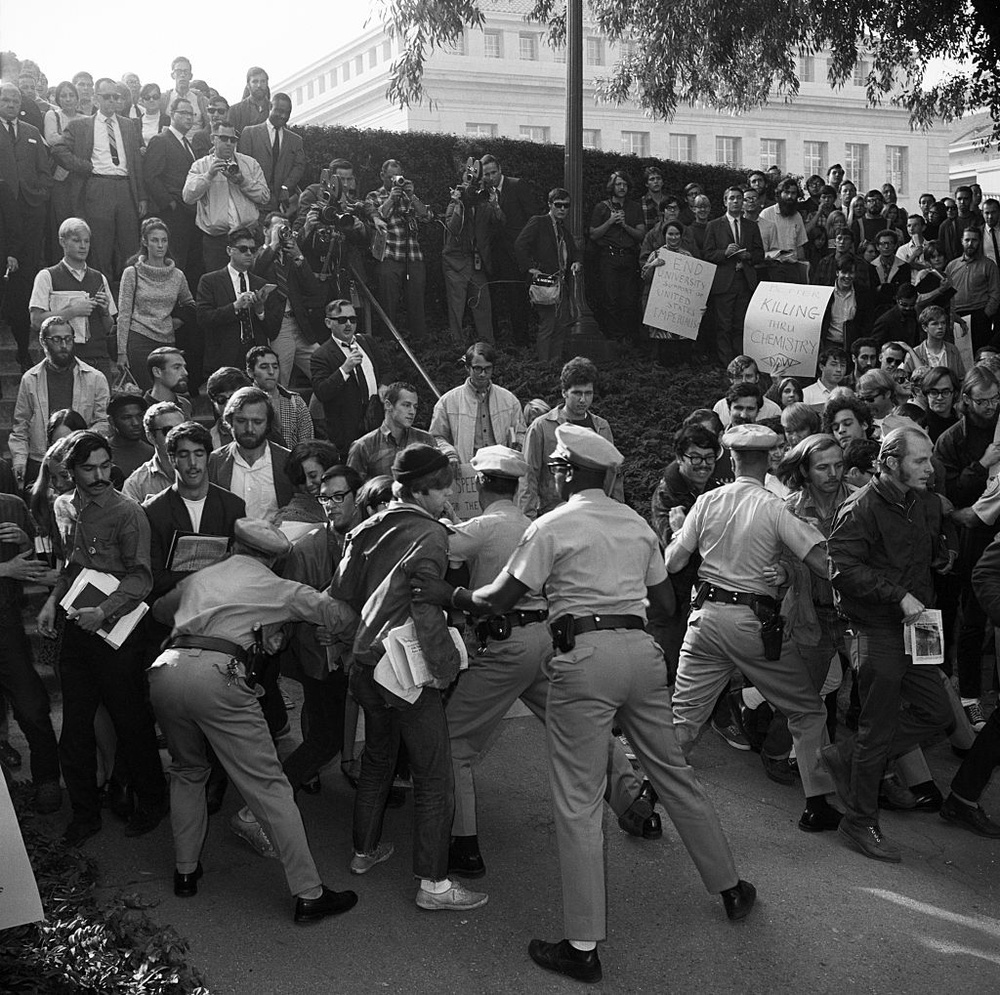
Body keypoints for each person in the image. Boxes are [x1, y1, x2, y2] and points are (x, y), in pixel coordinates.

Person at [416, 425, 752, 985]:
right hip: (641, 653)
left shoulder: (551, 525)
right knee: (675, 775)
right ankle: (731, 888)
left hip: (584, 657)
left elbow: (497, 598)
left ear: (566, 472)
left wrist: (447, 595)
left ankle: (582, 946)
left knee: (577, 802)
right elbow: (664, 601)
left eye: (555, 468)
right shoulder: (635, 522)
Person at [436, 444, 663, 881]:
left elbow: (441, 550)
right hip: (546, 639)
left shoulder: (480, 527)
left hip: (505, 645)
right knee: (581, 727)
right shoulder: (532, 523)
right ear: (516, 485)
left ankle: (464, 844)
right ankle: (634, 803)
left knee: (453, 742)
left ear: (480, 483)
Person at [147, 516, 359, 921]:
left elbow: (159, 611)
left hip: (167, 671)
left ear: (233, 547)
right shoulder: (279, 587)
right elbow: (339, 616)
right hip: (220, 677)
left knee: (188, 770)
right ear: (274, 560)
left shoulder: (203, 576)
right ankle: (309, 893)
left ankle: (185, 872)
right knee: (269, 786)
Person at [330, 443, 488, 912]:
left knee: (378, 760)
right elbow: (425, 608)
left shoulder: (365, 527)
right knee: (435, 777)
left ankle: (363, 852)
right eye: (444, 491)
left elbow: (341, 592)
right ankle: (434, 885)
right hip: (405, 671)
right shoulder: (431, 534)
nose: (449, 499)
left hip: (365, 664)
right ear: (422, 490)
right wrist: (444, 669)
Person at [666, 423, 842, 836]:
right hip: (753, 625)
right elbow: (822, 563)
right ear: (769, 462)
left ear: (731, 460)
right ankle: (817, 804)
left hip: (705, 620)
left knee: (684, 719)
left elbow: (673, 561)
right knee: (807, 709)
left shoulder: (707, 501)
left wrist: (676, 529)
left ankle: (645, 794)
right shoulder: (775, 508)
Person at [823, 427, 957, 862]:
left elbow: (932, 543)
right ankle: (860, 821)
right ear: (890, 462)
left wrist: (945, 554)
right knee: (876, 730)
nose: (929, 468)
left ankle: (849, 757)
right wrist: (898, 595)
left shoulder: (922, 501)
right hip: (875, 628)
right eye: (920, 460)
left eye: (930, 458)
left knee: (938, 712)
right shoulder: (861, 507)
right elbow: (841, 570)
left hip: (920, 625)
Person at [36, 431, 168, 846]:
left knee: (132, 721)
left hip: (119, 631)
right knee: (75, 728)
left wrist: (104, 612)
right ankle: (84, 814)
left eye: (105, 466)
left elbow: (141, 578)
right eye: (88, 468)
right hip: (77, 629)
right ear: (71, 471)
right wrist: (51, 602)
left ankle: (152, 802)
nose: (99, 476)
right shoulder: (64, 507)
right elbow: (69, 565)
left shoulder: (128, 512)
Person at [279, 463, 360, 795]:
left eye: (339, 497)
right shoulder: (305, 548)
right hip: (319, 656)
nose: (331, 505)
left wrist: (344, 631)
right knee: (326, 738)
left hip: (362, 651)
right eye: (326, 498)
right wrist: (317, 629)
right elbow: (290, 607)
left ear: (358, 497)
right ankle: (272, 798)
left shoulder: (373, 540)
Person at [934, 366, 1000, 730]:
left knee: (988, 620)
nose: (990, 407)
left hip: (992, 533)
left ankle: (987, 694)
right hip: (965, 541)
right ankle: (964, 697)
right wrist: (982, 464)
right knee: (964, 619)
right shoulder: (952, 439)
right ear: (967, 400)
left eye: (995, 399)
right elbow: (949, 495)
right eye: (983, 401)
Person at [0, 489, 62, 814]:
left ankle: (47, 780)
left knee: (32, 703)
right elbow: (11, 569)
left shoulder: (12, 505)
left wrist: (25, 541)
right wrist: (4, 569)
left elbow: (35, 559)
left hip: (5, 624)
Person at [50, 77, 146, 278]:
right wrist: (83, 166)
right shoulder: (81, 125)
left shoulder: (129, 125)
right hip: (98, 186)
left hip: (125, 188)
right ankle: (103, 293)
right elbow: (58, 149)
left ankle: (129, 290)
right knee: (101, 246)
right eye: (107, 96)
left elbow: (137, 163)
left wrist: (142, 197)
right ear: (96, 99)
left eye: (115, 96)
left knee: (129, 245)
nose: (112, 100)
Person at [9, 315, 110, 490]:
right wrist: (19, 460)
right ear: (43, 342)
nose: (64, 345)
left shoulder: (95, 378)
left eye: (68, 339)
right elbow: (21, 426)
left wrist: (76, 444)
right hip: (41, 461)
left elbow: (103, 422)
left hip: (80, 462)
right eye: (56, 339)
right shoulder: (30, 379)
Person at [520, 356, 623, 518]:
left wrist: (617, 513)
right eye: (577, 393)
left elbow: (614, 475)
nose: (583, 399)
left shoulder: (602, 427)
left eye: (588, 393)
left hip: (595, 514)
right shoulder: (541, 427)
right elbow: (528, 476)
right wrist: (528, 518)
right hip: (554, 514)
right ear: (564, 392)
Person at [0, 81, 51, 372]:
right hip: (2, 217)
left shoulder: (32, 132)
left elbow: (45, 170)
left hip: (30, 213)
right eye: (5, 99)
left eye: (15, 100)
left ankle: (23, 348)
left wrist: (39, 195)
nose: (10, 104)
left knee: (26, 275)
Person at [28, 217, 117, 380]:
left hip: (98, 359)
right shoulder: (47, 276)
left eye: (86, 241)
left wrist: (105, 312)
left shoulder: (99, 278)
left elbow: (108, 328)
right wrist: (72, 311)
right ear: (62, 242)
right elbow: (36, 321)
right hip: (63, 361)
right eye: (76, 240)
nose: (83, 246)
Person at [116, 218, 195, 391]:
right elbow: (124, 313)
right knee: (146, 392)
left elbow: (190, 304)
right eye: (155, 240)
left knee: (168, 391)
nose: (160, 245)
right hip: (139, 338)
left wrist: (176, 322)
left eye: (164, 240)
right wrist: (121, 352)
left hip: (167, 341)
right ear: (145, 242)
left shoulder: (177, 275)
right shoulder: (132, 273)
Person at [251, 212, 329, 386]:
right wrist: (273, 245)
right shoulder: (256, 255)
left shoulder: (289, 256)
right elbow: (255, 271)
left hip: (300, 324)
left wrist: (298, 255)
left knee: (324, 373)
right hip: (278, 327)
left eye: (286, 227)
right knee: (279, 380)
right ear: (266, 231)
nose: (283, 231)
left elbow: (312, 288)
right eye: (278, 227)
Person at [183, 121, 269, 272]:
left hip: (247, 236)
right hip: (216, 239)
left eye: (233, 140)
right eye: (223, 138)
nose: (229, 143)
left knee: (249, 280)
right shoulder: (200, 166)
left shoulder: (250, 163)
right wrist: (209, 175)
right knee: (218, 283)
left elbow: (264, 197)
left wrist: (242, 181)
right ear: (213, 139)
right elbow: (188, 197)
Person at [196, 226, 282, 373]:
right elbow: (203, 318)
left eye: (252, 250)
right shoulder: (210, 281)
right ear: (229, 250)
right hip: (224, 355)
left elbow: (273, 331)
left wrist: (260, 311)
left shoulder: (261, 284)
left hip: (256, 355)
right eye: (243, 249)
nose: (249, 253)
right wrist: (235, 306)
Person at [364, 158, 432, 339]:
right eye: (390, 177)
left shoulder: (408, 195)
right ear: (382, 176)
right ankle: (388, 343)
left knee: (417, 303)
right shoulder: (374, 196)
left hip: (413, 255)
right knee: (388, 303)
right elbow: (376, 218)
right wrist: (391, 199)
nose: (395, 181)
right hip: (389, 255)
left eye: (398, 177)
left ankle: (420, 342)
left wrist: (412, 196)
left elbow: (426, 217)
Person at [514, 187, 583, 362]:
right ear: (549, 204)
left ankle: (554, 365)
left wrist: (576, 262)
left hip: (562, 284)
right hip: (545, 283)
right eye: (558, 205)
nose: (562, 209)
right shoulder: (538, 222)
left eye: (566, 206)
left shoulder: (563, 230)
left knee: (560, 326)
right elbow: (520, 245)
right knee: (548, 325)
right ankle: (543, 367)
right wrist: (530, 268)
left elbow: (574, 251)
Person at [428, 342, 526, 464]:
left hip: (501, 468)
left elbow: (521, 433)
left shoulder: (509, 400)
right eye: (477, 368)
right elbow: (436, 437)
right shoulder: (447, 401)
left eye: (487, 368)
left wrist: (517, 448)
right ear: (467, 368)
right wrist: (449, 453)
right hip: (465, 468)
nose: (483, 374)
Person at [310, 299, 385, 456]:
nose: (348, 324)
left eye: (353, 319)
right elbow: (322, 392)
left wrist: (384, 385)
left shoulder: (367, 341)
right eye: (342, 320)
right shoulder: (321, 355)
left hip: (376, 419)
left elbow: (387, 369)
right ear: (328, 323)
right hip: (347, 429)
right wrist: (345, 369)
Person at [143, 97, 208, 275]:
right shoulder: (161, 140)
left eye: (192, 114)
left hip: (191, 212)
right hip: (172, 213)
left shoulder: (188, 143)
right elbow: (150, 176)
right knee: (175, 260)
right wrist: (168, 203)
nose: (189, 117)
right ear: (172, 114)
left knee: (191, 262)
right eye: (184, 113)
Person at [208, 386, 292, 521]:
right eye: (241, 421)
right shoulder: (216, 460)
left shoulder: (287, 460)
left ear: (268, 424)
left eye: (257, 422)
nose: (249, 429)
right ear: (229, 421)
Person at [480, 154, 537, 347]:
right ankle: (497, 343)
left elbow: (532, 218)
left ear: (500, 170)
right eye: (487, 174)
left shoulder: (517, 185)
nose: (491, 177)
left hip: (515, 251)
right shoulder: (483, 192)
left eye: (493, 172)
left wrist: (525, 248)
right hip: (494, 252)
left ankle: (522, 343)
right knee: (494, 298)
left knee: (517, 297)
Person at [703, 187, 764, 365]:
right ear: (725, 202)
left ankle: (740, 363)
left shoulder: (751, 226)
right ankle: (726, 364)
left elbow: (760, 253)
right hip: (724, 283)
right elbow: (707, 254)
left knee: (740, 324)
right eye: (732, 198)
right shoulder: (714, 225)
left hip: (744, 281)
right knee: (724, 325)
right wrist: (725, 252)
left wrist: (748, 255)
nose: (736, 201)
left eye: (739, 198)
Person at [347, 381, 452, 480]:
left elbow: (438, 481)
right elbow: (353, 487)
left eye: (415, 407)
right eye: (406, 405)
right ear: (388, 405)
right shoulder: (364, 446)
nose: (412, 411)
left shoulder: (426, 440)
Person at [441, 168, 498, 345]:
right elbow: (453, 229)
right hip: (456, 263)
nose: (473, 190)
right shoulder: (454, 204)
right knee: (456, 309)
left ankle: (487, 347)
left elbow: (499, 223)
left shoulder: (484, 205)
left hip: (477, 263)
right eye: (469, 184)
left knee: (483, 306)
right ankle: (456, 347)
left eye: (477, 186)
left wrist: (495, 205)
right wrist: (459, 203)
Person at [588, 170, 645, 343]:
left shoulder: (634, 207)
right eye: (618, 184)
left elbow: (641, 235)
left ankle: (628, 339)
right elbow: (593, 234)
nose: (622, 187)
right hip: (609, 257)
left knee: (629, 299)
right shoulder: (602, 207)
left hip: (628, 257)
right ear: (612, 186)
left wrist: (625, 225)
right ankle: (613, 338)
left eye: (625, 184)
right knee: (610, 299)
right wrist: (610, 221)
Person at [236, 93, 304, 214]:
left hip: (282, 204)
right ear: (270, 107)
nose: (283, 116)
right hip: (253, 201)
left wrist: (286, 187)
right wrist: (256, 190)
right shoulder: (250, 133)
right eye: (279, 111)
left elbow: (299, 166)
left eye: (287, 113)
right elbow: (243, 165)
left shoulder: (296, 140)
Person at [245, 345, 314, 448]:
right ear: (250, 372)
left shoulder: (295, 402)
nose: (271, 372)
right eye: (264, 367)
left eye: (275, 367)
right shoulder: (242, 403)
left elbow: (307, 445)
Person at [945, 227, 1000, 351]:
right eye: (967, 240)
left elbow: (996, 293)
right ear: (962, 241)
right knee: (958, 354)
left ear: (979, 241)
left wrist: (985, 315)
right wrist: (951, 315)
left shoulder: (989, 265)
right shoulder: (951, 266)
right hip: (957, 317)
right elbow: (946, 293)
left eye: (974, 240)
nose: (970, 243)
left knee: (979, 354)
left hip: (979, 316)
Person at [121, 401, 186, 504]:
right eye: (168, 430)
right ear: (151, 437)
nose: (177, 436)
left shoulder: (207, 469)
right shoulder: (136, 484)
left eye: (182, 429)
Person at [42, 81, 80, 251]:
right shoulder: (52, 115)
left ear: (77, 98)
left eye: (71, 95)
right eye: (63, 95)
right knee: (61, 220)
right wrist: (77, 142)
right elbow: (52, 139)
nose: (68, 99)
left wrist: (67, 142)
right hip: (60, 176)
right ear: (57, 99)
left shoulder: (85, 119)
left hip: (80, 176)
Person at [757, 178, 808, 283]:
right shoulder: (766, 214)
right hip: (772, 267)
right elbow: (760, 247)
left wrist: (803, 266)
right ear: (779, 194)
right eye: (786, 192)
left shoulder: (797, 216)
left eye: (793, 193)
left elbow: (799, 245)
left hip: (793, 267)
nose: (790, 196)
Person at [712, 356, 782, 426]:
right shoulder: (720, 407)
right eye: (738, 377)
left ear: (757, 378)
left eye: (748, 376)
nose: (744, 381)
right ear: (731, 379)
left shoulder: (773, 410)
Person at [908, 306, 966, 378]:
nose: (940, 327)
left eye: (943, 323)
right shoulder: (914, 353)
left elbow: (961, 378)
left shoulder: (953, 350)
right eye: (935, 324)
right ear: (925, 327)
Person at [106, 392, 153, 480]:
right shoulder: (102, 451)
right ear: (111, 421)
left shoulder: (151, 454)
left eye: (140, 416)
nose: (136, 423)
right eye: (127, 418)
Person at [145, 346, 192, 419]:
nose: (185, 373)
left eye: (184, 367)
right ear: (157, 372)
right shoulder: (141, 409)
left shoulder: (185, 405)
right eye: (177, 368)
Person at [919, 366, 961, 442]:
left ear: (955, 393)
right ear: (926, 394)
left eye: (945, 392)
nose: (939, 397)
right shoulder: (919, 427)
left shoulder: (961, 427)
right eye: (934, 392)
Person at [227, 67, 271, 134]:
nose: (259, 85)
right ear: (248, 85)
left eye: (263, 81)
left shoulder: (274, 109)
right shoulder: (235, 111)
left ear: (267, 83)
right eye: (255, 81)